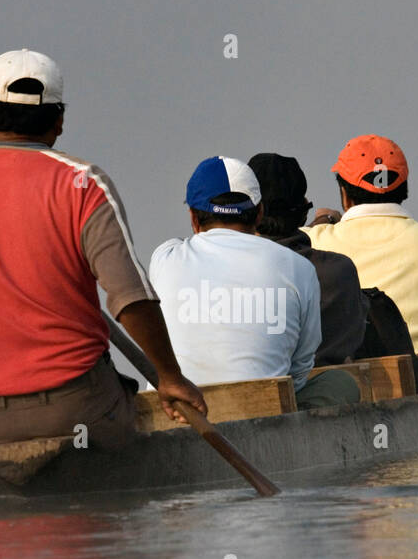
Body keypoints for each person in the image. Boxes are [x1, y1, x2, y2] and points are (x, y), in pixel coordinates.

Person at [0, 49, 205, 467]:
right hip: (74, 414)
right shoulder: (84, 183)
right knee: (118, 400)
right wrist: (170, 378)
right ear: (59, 121)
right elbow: (128, 297)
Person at [149, 156, 361, 410]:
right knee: (341, 382)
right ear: (259, 214)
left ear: (193, 218)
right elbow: (301, 367)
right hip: (262, 412)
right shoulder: (299, 268)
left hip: (177, 414)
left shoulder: (164, 257)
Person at [304, 135, 418, 391]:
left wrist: (320, 224)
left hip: (352, 391)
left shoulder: (313, 243)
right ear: (404, 190)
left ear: (344, 195)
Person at [248, 152, 367, 365]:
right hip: (328, 393)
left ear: (253, 213)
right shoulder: (339, 271)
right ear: (303, 212)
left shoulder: (232, 274)